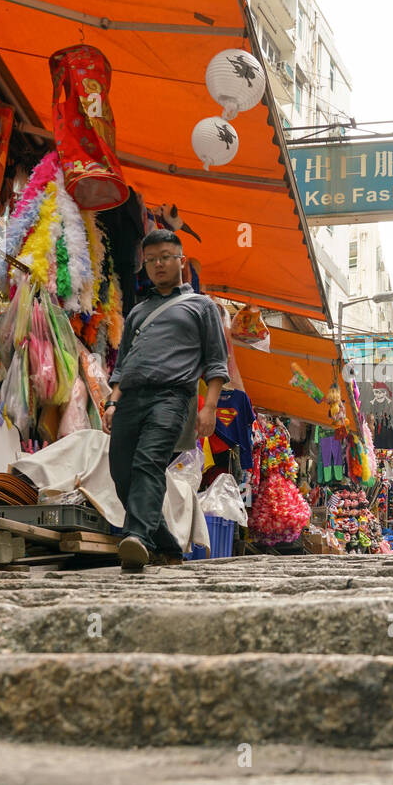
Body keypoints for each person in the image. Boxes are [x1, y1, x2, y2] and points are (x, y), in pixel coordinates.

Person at [104, 228, 228, 569]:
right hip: (130, 399)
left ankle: (136, 538)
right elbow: (124, 363)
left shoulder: (202, 307)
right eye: (151, 260)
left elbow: (217, 362)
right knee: (121, 473)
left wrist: (210, 407)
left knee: (148, 462)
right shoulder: (137, 313)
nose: (158, 265)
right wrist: (113, 400)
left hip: (172, 397)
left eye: (165, 258)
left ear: (181, 261)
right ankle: (166, 544)